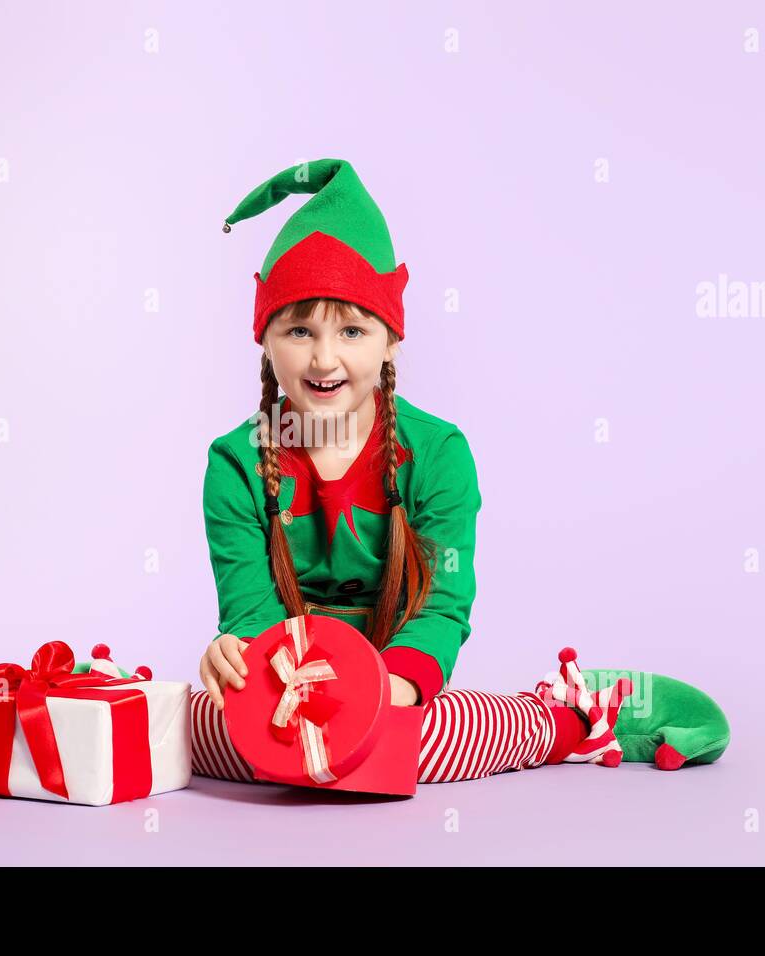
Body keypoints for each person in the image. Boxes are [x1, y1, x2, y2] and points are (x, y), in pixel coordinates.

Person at [194, 159, 626, 784]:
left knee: (432, 741)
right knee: (192, 725)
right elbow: (251, 613)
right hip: (286, 694)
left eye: (351, 329)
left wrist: (385, 695)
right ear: (264, 338)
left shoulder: (440, 454)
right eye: (298, 329)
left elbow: (443, 606)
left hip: (393, 688)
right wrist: (239, 662)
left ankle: (569, 719)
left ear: (390, 339)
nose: (324, 357)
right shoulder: (235, 462)